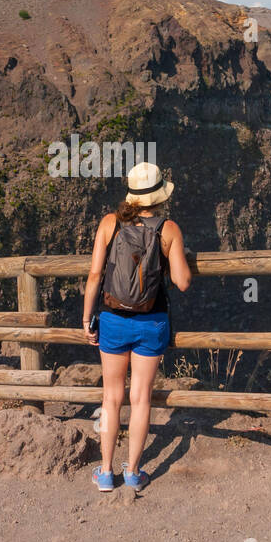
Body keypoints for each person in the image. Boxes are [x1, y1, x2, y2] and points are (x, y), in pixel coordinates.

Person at [82, 162, 191, 492]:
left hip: (113, 320)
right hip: (151, 321)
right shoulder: (168, 228)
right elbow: (182, 282)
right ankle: (133, 473)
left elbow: (95, 277)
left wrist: (87, 319)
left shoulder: (109, 224)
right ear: (159, 196)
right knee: (141, 397)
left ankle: (104, 472)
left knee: (112, 397)